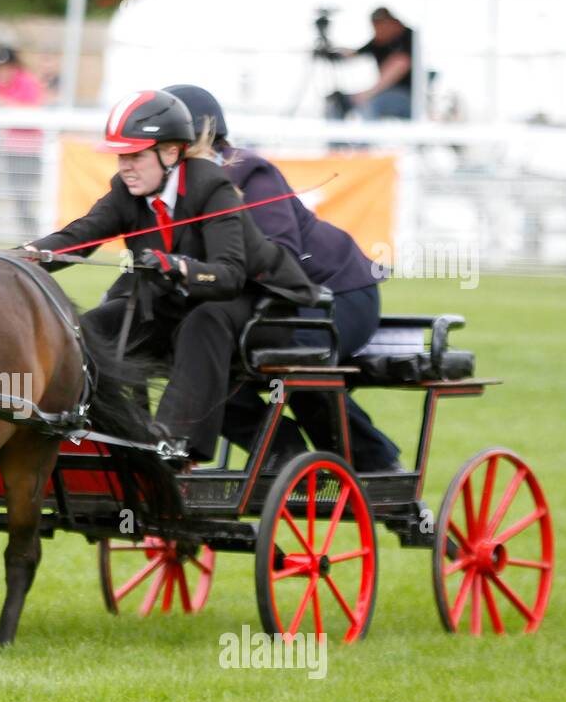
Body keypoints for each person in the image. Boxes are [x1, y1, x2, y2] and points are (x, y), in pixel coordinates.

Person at [24, 90, 317, 464]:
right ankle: (94, 431)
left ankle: (174, 441)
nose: (125, 166)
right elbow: (81, 236)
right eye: (120, 156)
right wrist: (23, 258)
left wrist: (180, 267)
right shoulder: (125, 189)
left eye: (136, 155)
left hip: (261, 303)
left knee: (204, 321)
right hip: (181, 303)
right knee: (92, 331)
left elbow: (228, 276)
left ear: (171, 152)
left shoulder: (212, 187)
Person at [164, 84, 402, 471]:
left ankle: (375, 464)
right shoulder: (169, 186)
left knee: (293, 364)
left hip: (335, 291)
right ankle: (279, 447)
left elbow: (280, 253)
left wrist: (205, 275)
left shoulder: (250, 172)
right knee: (199, 358)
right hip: (263, 300)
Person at [0, 45, 43, 238]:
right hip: (10, 149)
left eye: (6, 67)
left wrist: (8, 105)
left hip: (29, 151)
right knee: (18, 198)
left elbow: (34, 111)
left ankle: (35, 233)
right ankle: (29, 234)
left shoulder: (27, 82)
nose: (2, 72)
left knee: (26, 197)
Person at [327, 7, 414, 120]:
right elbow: (354, 54)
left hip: (408, 95)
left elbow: (401, 63)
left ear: (391, 23)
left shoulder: (408, 37)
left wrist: (369, 93)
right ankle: (337, 137)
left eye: (378, 26)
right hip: (383, 92)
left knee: (369, 104)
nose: (376, 31)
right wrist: (334, 51)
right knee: (337, 102)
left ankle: (368, 138)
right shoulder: (380, 41)